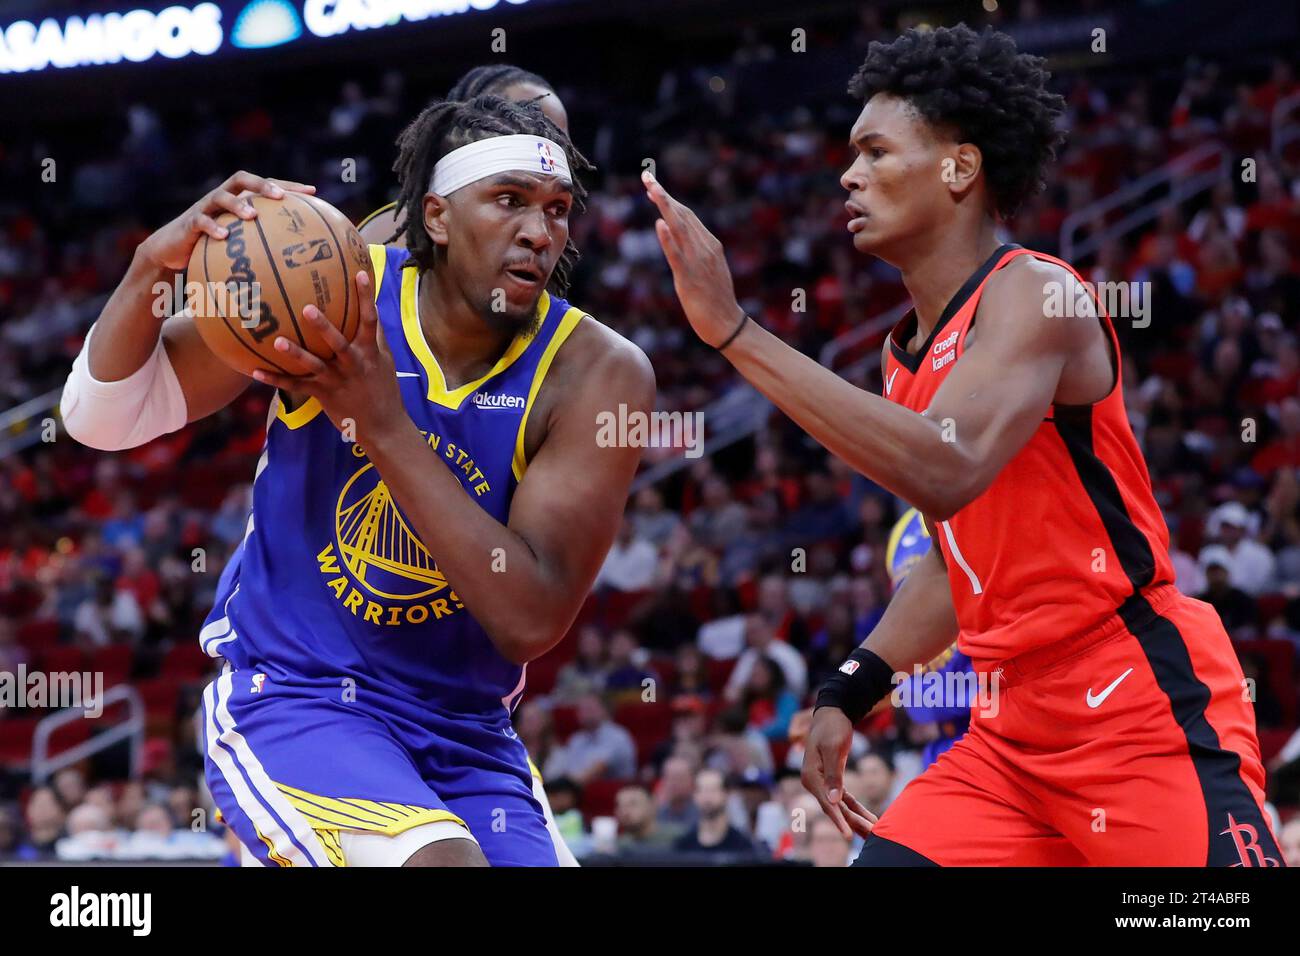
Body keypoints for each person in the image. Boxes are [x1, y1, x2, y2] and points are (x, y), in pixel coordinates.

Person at [642, 23, 1280, 866]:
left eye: (875, 151)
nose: (849, 173)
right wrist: (852, 685)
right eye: (849, 154)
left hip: (1136, 701)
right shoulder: (901, 354)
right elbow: (955, 555)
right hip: (1009, 733)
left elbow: (946, 467)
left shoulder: (1037, 293)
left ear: (960, 168)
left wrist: (734, 332)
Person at [61, 94, 654, 866]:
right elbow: (102, 420)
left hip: (466, 733)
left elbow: (530, 620)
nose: (538, 234)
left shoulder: (597, 372)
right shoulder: (332, 288)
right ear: (436, 217)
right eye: (508, 201)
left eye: (557, 210)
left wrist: (381, 425)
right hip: (298, 695)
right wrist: (151, 266)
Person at [671, 767, 760, 858]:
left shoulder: (742, 845)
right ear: (694, 796)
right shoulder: (682, 846)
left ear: (726, 794)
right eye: (701, 790)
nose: (707, 796)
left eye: (713, 790)